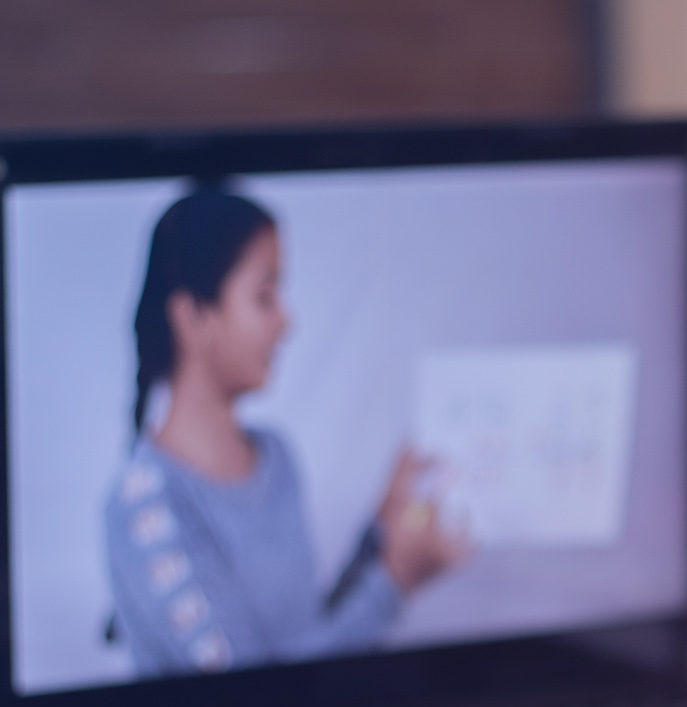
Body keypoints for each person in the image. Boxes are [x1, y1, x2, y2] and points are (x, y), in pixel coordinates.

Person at [105, 188, 462, 678]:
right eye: (264, 296)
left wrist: (382, 531)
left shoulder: (276, 456)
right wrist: (395, 582)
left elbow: (305, 639)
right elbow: (252, 697)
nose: (287, 320)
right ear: (193, 318)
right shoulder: (143, 507)